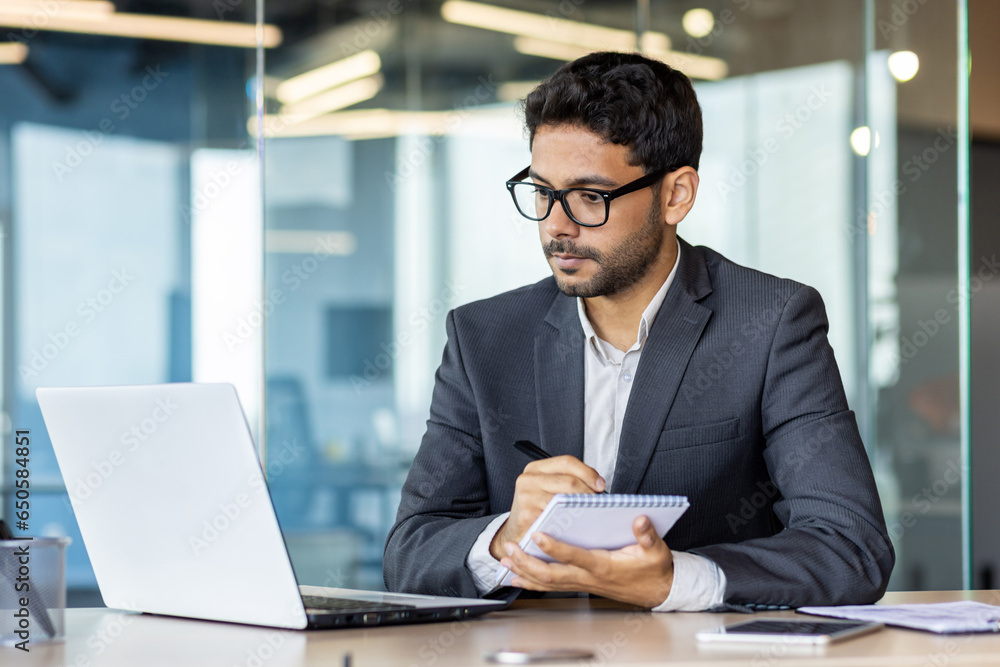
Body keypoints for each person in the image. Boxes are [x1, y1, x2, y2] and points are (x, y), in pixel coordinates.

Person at [383, 51, 894, 611]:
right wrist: (506, 538)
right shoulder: (484, 337)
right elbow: (410, 550)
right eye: (542, 191)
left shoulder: (770, 322)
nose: (557, 225)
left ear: (676, 195)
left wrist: (675, 580)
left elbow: (851, 548)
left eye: (590, 197)